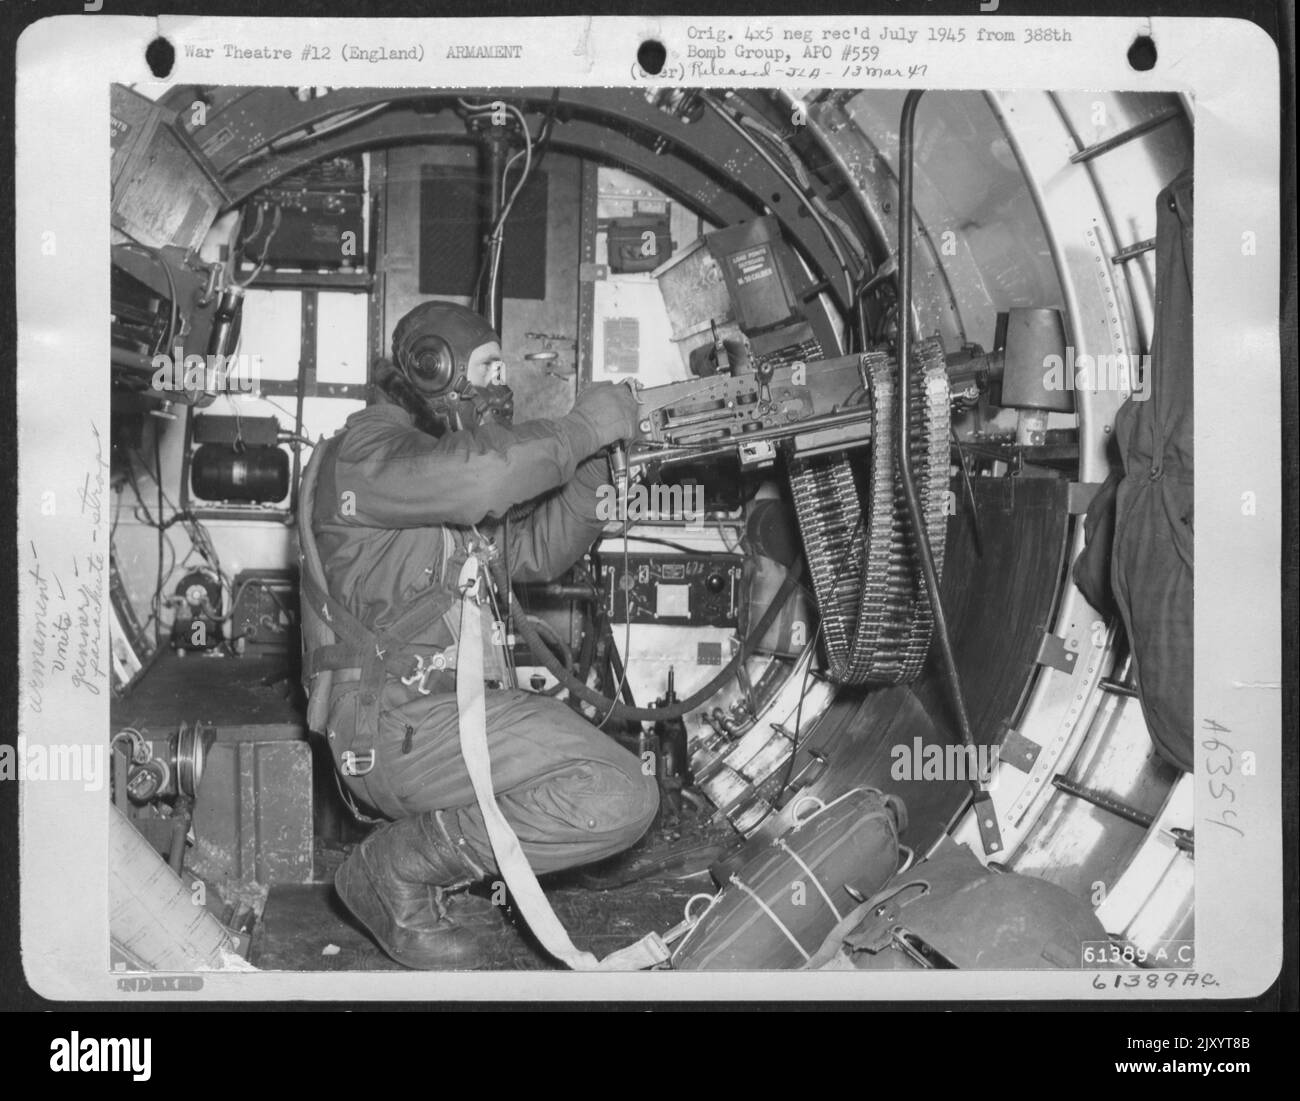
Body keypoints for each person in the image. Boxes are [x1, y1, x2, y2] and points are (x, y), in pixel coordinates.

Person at [297, 301, 659, 969]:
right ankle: (397, 868)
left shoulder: (426, 474)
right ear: (434, 368)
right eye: (487, 367)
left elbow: (534, 551)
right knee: (618, 790)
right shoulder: (367, 452)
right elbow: (485, 474)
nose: (501, 386)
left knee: (613, 784)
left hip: (434, 719)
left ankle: (420, 855)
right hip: (398, 724)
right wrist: (581, 426)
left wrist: (596, 468)